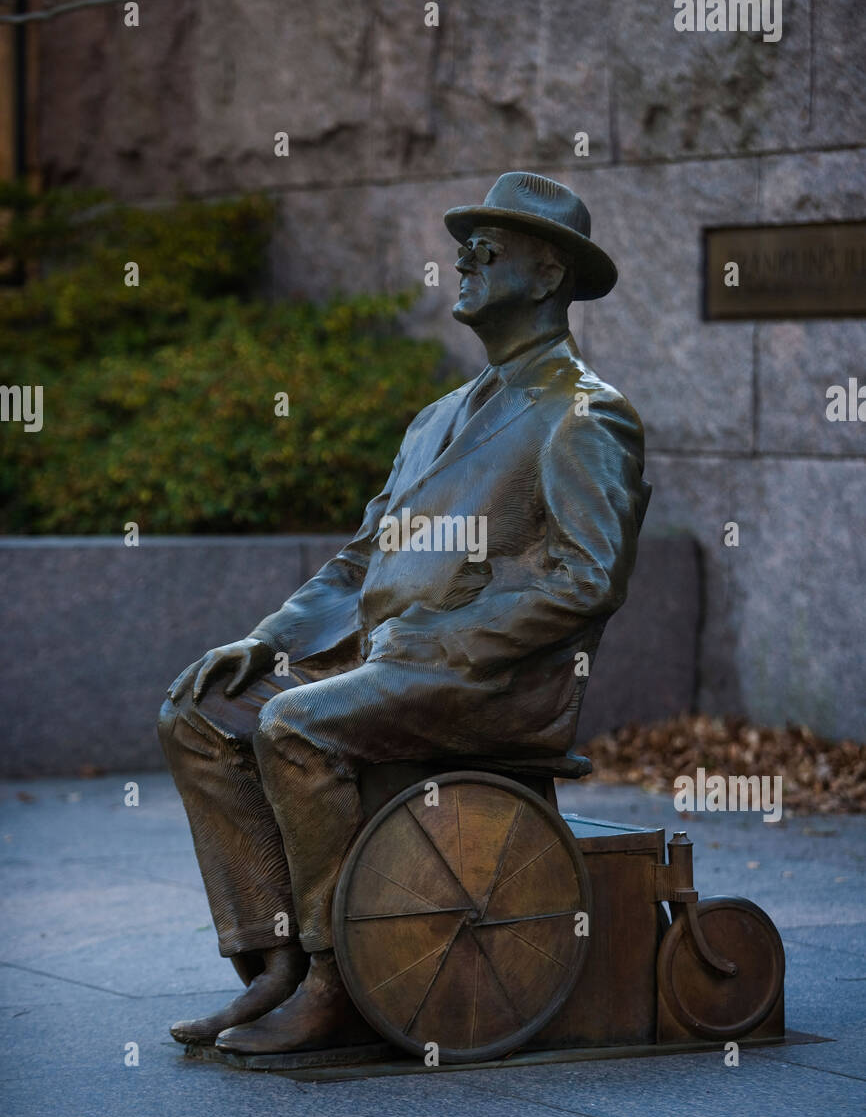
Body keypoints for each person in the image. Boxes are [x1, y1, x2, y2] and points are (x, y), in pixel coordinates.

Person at [158, 171, 651, 1054]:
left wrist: (448, 639)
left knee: (295, 725)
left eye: (488, 248)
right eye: (463, 243)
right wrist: (266, 638)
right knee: (196, 711)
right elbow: (357, 562)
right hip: (388, 663)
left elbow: (587, 578)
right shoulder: (434, 419)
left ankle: (339, 978)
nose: (462, 258)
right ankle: (273, 960)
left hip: (487, 682)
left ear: (548, 277)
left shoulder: (586, 413)